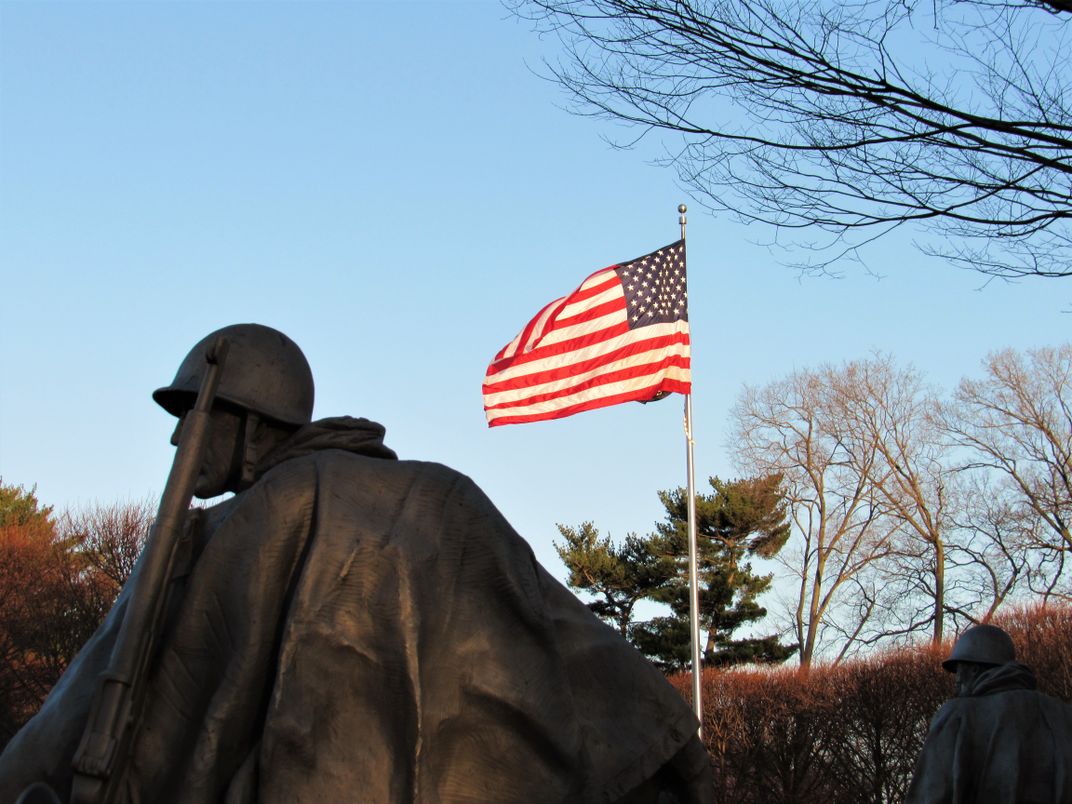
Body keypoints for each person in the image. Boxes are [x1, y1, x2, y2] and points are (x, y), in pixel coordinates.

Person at [0, 323, 712, 804]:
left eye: (192, 414)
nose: (180, 437)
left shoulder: (217, 534)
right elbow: (581, 659)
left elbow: (74, 718)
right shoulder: (440, 496)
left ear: (244, 421)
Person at [906, 623, 1072, 804]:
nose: (957, 681)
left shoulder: (958, 714)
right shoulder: (1063, 714)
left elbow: (931, 793)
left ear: (974, 669)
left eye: (959, 671)